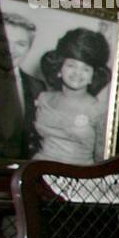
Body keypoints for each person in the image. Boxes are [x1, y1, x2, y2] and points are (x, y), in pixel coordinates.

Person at [32, 27, 111, 164]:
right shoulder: (44, 99)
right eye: (71, 65)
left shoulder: (99, 110)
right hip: (38, 170)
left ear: (93, 76)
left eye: (85, 69)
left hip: (78, 178)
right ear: (59, 69)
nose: (77, 73)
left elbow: (101, 159)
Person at [0, 11, 43, 157]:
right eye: (4, 40)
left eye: (20, 44)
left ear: (29, 49)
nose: (10, 49)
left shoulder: (38, 87)